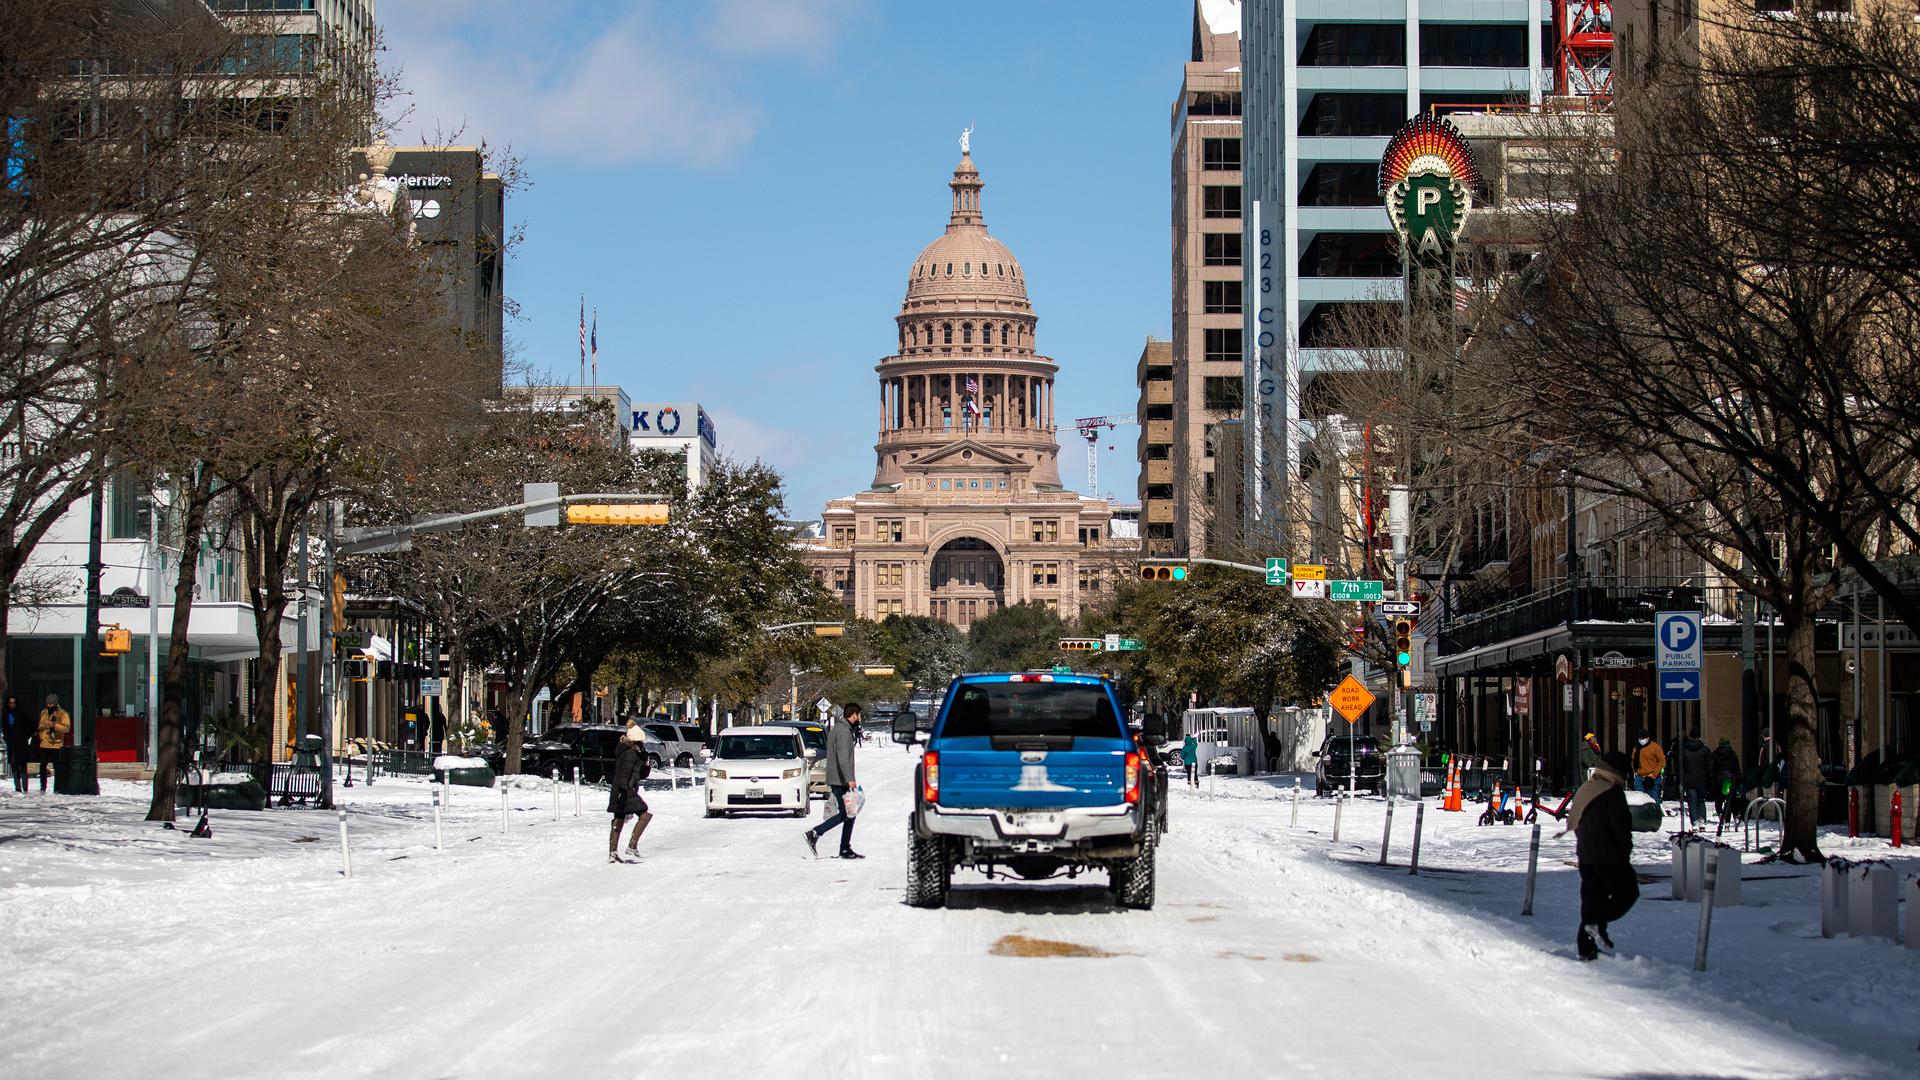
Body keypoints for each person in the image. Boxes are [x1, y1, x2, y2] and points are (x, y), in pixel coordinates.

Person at [1566, 749, 1637, 961]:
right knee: (1628, 893)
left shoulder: (1588, 788)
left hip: (1586, 855)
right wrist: (1624, 852)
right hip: (1609, 857)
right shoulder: (1612, 793)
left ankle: (1586, 948)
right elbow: (1620, 828)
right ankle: (1596, 924)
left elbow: (1575, 820)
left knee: (1592, 898)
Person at [803, 702, 861, 859]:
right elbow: (843, 757)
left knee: (850, 813)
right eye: (859, 715)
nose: (859, 718)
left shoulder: (839, 729)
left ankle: (844, 848)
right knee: (846, 813)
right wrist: (850, 779)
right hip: (840, 779)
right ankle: (815, 833)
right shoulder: (843, 731)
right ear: (854, 714)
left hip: (838, 777)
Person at [607, 722, 653, 863]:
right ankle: (632, 845)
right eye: (641, 741)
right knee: (645, 814)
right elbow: (625, 773)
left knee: (619, 818)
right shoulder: (631, 754)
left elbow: (640, 774)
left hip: (620, 790)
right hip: (626, 790)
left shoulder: (628, 752)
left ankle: (612, 852)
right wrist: (625, 789)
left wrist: (646, 764)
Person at [1675, 729, 1712, 826]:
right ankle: (1702, 821)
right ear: (1699, 737)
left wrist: (1680, 781)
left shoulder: (1683, 750)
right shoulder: (1705, 750)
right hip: (1702, 780)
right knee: (1701, 801)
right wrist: (1710, 780)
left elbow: (1680, 767)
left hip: (1689, 779)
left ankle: (1694, 822)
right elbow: (1710, 767)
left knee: (1692, 801)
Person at [35, 694, 70, 793]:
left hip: (56, 744)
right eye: (48, 704)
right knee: (42, 766)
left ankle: (57, 788)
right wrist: (41, 734)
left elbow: (66, 728)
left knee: (57, 767)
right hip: (44, 743)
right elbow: (40, 725)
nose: (49, 706)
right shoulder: (44, 712)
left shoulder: (62, 713)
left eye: (51, 704)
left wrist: (54, 725)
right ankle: (43, 787)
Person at [1711, 738, 1743, 822]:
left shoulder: (1715, 754)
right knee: (1728, 801)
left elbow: (1712, 768)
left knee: (1718, 801)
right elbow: (1737, 769)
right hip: (1729, 780)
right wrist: (1738, 780)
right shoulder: (1733, 754)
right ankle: (1727, 821)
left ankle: (1720, 814)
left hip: (1718, 780)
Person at [1631, 730, 1666, 805]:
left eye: (1642, 738)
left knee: (1653, 799)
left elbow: (1661, 761)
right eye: (1639, 738)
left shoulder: (1655, 747)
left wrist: (1654, 774)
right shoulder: (1636, 748)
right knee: (1639, 800)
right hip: (1639, 777)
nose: (1641, 740)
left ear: (1647, 738)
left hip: (1652, 778)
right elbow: (1633, 761)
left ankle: (1655, 815)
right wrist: (1635, 771)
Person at [3, 694, 29, 793]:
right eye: (10, 702)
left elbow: (30, 724)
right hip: (11, 743)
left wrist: (25, 735)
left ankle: (25, 787)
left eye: (14, 702)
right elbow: (5, 728)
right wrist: (7, 738)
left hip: (21, 743)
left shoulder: (22, 713)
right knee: (14, 764)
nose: (12, 704)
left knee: (23, 765)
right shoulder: (6, 714)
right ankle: (17, 787)